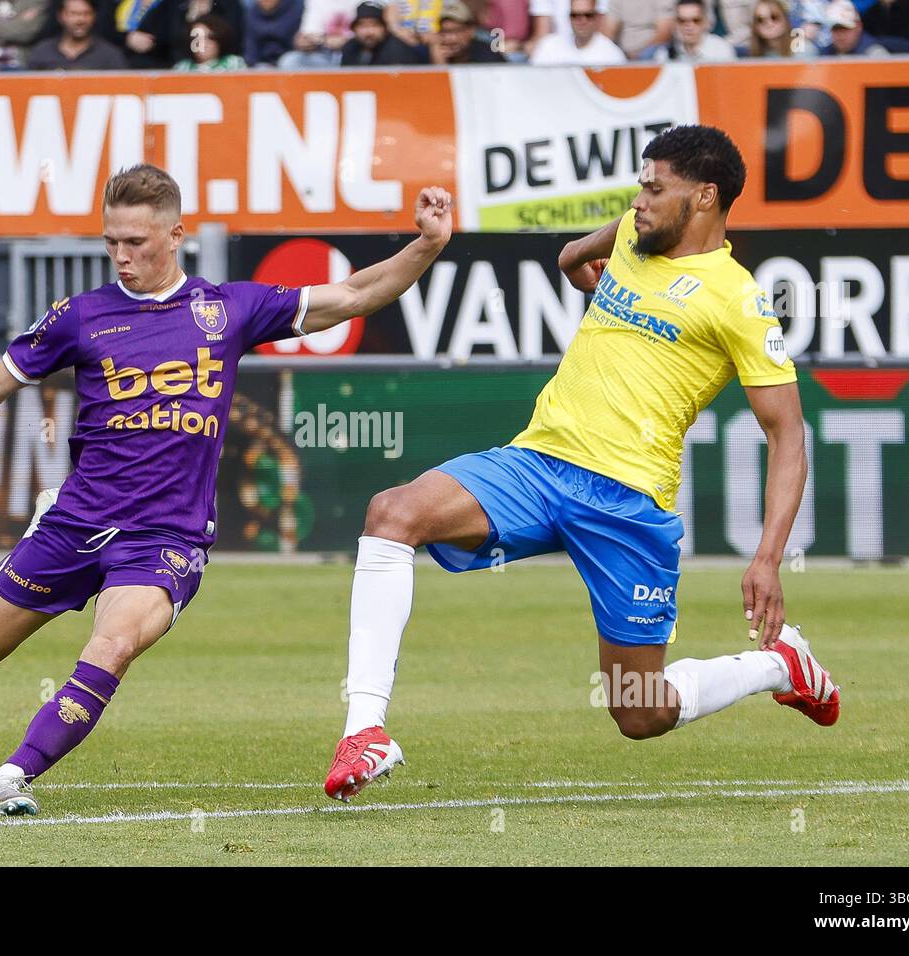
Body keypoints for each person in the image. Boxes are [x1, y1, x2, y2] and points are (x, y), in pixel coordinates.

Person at [0, 165, 453, 816]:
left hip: (164, 539)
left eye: (136, 243)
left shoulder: (226, 309)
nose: (122, 257)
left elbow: (351, 294)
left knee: (114, 644)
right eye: (111, 242)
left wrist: (427, 245)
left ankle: (11, 777)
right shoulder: (81, 317)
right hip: (77, 521)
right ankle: (37, 536)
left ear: (175, 234)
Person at [323, 125, 840, 803]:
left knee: (640, 710)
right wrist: (591, 283)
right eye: (640, 184)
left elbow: (789, 436)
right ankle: (365, 729)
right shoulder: (632, 231)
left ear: (706, 197)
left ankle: (779, 664)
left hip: (627, 504)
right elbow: (571, 256)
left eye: (656, 187)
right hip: (539, 463)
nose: (641, 199)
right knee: (392, 514)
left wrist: (769, 556)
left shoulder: (739, 301)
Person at [28, 0, 129, 68]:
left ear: (94, 16)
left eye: (86, 13)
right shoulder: (42, 52)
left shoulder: (110, 56)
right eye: (73, 14)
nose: (80, 20)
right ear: (61, 16)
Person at [531, 0, 625, 63]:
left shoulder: (611, 54)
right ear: (569, 17)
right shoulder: (549, 46)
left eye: (588, 15)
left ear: (596, 17)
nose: (582, 21)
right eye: (575, 15)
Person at [340, 2, 427, 63]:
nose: (369, 32)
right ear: (354, 28)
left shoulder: (398, 51)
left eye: (375, 25)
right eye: (363, 26)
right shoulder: (350, 47)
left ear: (385, 28)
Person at [279, 0, 357, 66]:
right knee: (291, 60)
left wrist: (323, 40)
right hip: (323, 55)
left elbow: (364, 34)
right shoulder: (316, 2)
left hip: (356, 54)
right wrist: (304, 42)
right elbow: (309, 34)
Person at [653, 0, 737, 59]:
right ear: (675, 23)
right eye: (682, 21)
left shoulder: (721, 49)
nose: (689, 26)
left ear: (706, 22)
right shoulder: (664, 54)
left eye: (696, 20)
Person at [429, 0, 507, 60]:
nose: (450, 39)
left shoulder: (487, 54)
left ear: (471, 30)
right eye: (445, 31)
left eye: (456, 31)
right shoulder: (428, 53)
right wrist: (439, 61)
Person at [739, 0, 817, 55]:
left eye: (774, 17)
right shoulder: (751, 55)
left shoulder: (804, 49)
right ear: (755, 26)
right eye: (760, 20)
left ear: (785, 20)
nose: (769, 24)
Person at [600, 0, 674, 57]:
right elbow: (609, 34)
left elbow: (664, 33)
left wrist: (638, 54)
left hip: (652, 52)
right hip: (623, 53)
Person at [173, 11, 248, 67]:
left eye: (210, 37)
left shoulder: (234, 64)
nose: (203, 43)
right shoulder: (182, 68)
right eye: (196, 37)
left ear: (220, 39)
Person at [243, 0, 304, 65]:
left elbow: (298, 44)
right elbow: (250, 49)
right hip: (263, 64)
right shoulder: (252, 12)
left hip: (291, 60)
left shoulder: (297, 8)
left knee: (289, 61)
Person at [820, 0, 888, 53]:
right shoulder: (824, 54)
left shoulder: (874, 54)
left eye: (845, 28)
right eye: (835, 28)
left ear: (859, 27)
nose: (840, 35)